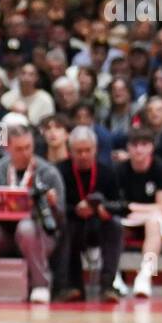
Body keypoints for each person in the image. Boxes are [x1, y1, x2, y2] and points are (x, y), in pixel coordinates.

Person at [0, 124, 65, 303]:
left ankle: (40, 285)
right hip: (3, 232)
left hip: (39, 234)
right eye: (19, 149)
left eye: (28, 147)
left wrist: (52, 205)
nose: (25, 153)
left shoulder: (48, 172)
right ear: (8, 149)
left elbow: (61, 218)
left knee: (26, 227)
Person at [56, 125, 123, 302]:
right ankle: (73, 286)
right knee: (65, 228)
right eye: (79, 151)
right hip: (72, 223)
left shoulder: (107, 172)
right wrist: (75, 209)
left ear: (95, 150)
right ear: (70, 151)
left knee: (115, 226)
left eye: (87, 150)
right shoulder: (60, 171)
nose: (83, 155)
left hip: (99, 223)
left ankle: (108, 286)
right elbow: (57, 205)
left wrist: (104, 209)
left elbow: (118, 205)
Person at [116, 127, 162, 297]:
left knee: (153, 222)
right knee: (112, 225)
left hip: (154, 219)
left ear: (151, 147)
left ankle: (146, 275)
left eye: (144, 144)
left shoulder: (161, 169)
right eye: (134, 145)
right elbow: (113, 202)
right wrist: (128, 210)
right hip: (128, 219)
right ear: (128, 147)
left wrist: (133, 207)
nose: (139, 149)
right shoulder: (120, 170)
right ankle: (114, 277)